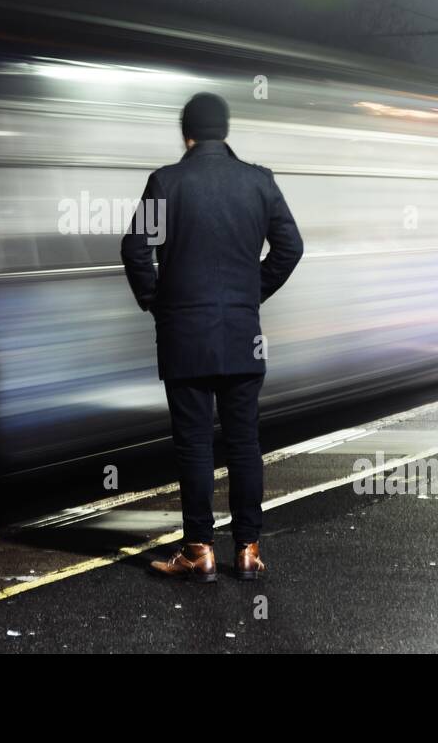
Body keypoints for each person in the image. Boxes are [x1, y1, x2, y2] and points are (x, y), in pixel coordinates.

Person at [120, 92, 303, 582]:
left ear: (187, 134)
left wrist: (158, 300)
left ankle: (198, 550)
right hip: (242, 334)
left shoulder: (167, 183)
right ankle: (247, 550)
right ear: (225, 131)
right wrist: (250, 293)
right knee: (245, 443)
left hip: (185, 337)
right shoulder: (258, 183)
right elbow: (290, 247)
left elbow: (136, 250)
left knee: (195, 445)